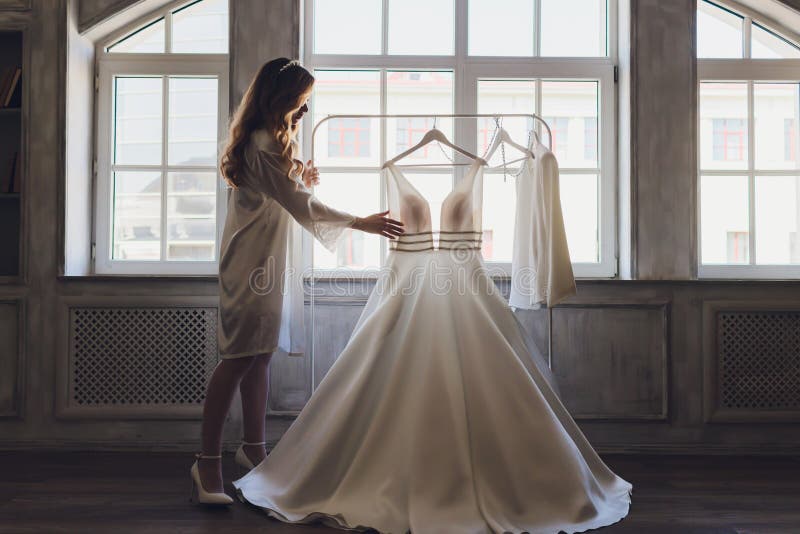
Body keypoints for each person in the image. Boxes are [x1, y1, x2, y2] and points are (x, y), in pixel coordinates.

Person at [189, 57, 404, 505]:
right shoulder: (266, 142)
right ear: (280, 99)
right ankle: (206, 463)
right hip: (249, 268)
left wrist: (299, 179)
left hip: (264, 264)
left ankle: (253, 448)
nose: (305, 111)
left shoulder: (270, 142)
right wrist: (359, 222)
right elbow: (299, 205)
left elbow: (283, 197)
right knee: (235, 361)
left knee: (259, 357)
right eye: (300, 102)